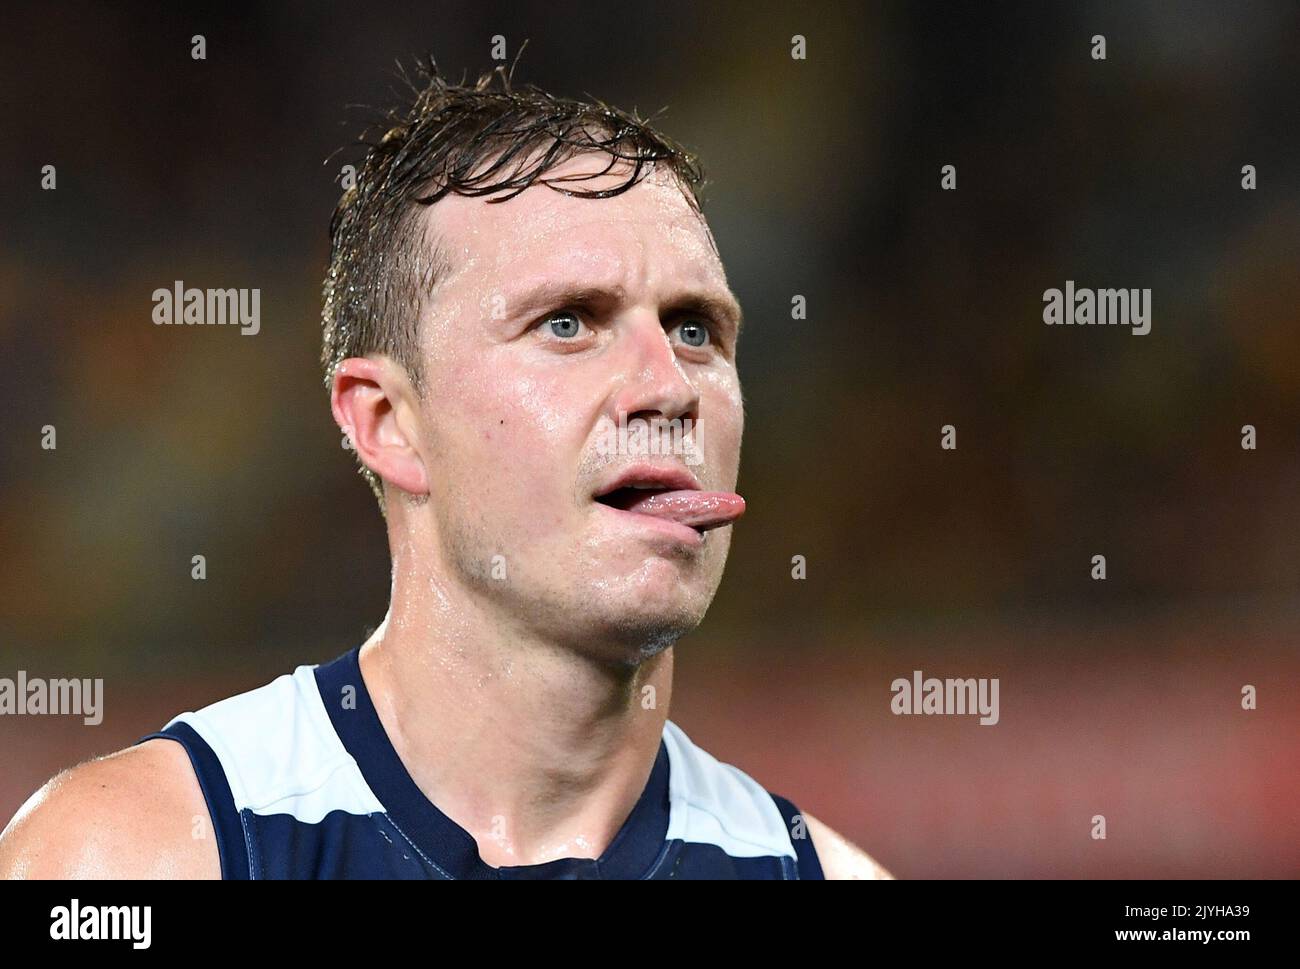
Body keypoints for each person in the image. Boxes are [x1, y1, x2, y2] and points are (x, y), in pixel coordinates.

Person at [0, 60, 891, 880]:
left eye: (696, 328)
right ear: (390, 423)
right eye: (570, 322)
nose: (669, 386)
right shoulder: (133, 860)